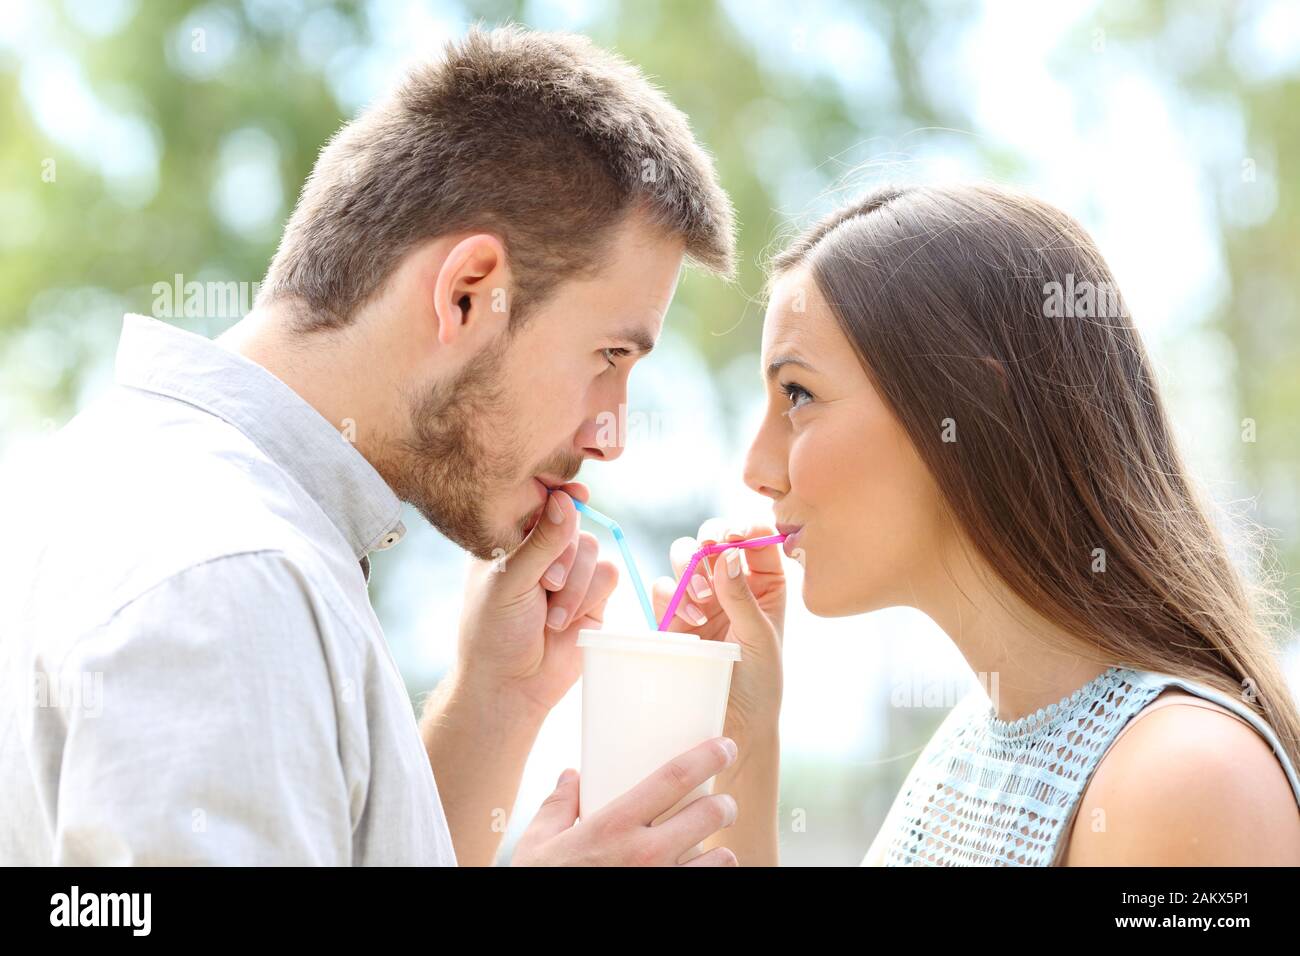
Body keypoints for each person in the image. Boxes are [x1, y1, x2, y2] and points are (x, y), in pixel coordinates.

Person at [0, 26, 742, 867]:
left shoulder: (157, 494)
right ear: (469, 296)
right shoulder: (230, 578)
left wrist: (495, 703)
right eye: (610, 356)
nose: (610, 435)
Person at [653, 182, 1300, 866]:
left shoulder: (1185, 778)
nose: (757, 467)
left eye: (798, 394)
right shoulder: (968, 750)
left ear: (971, 412)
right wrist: (744, 745)